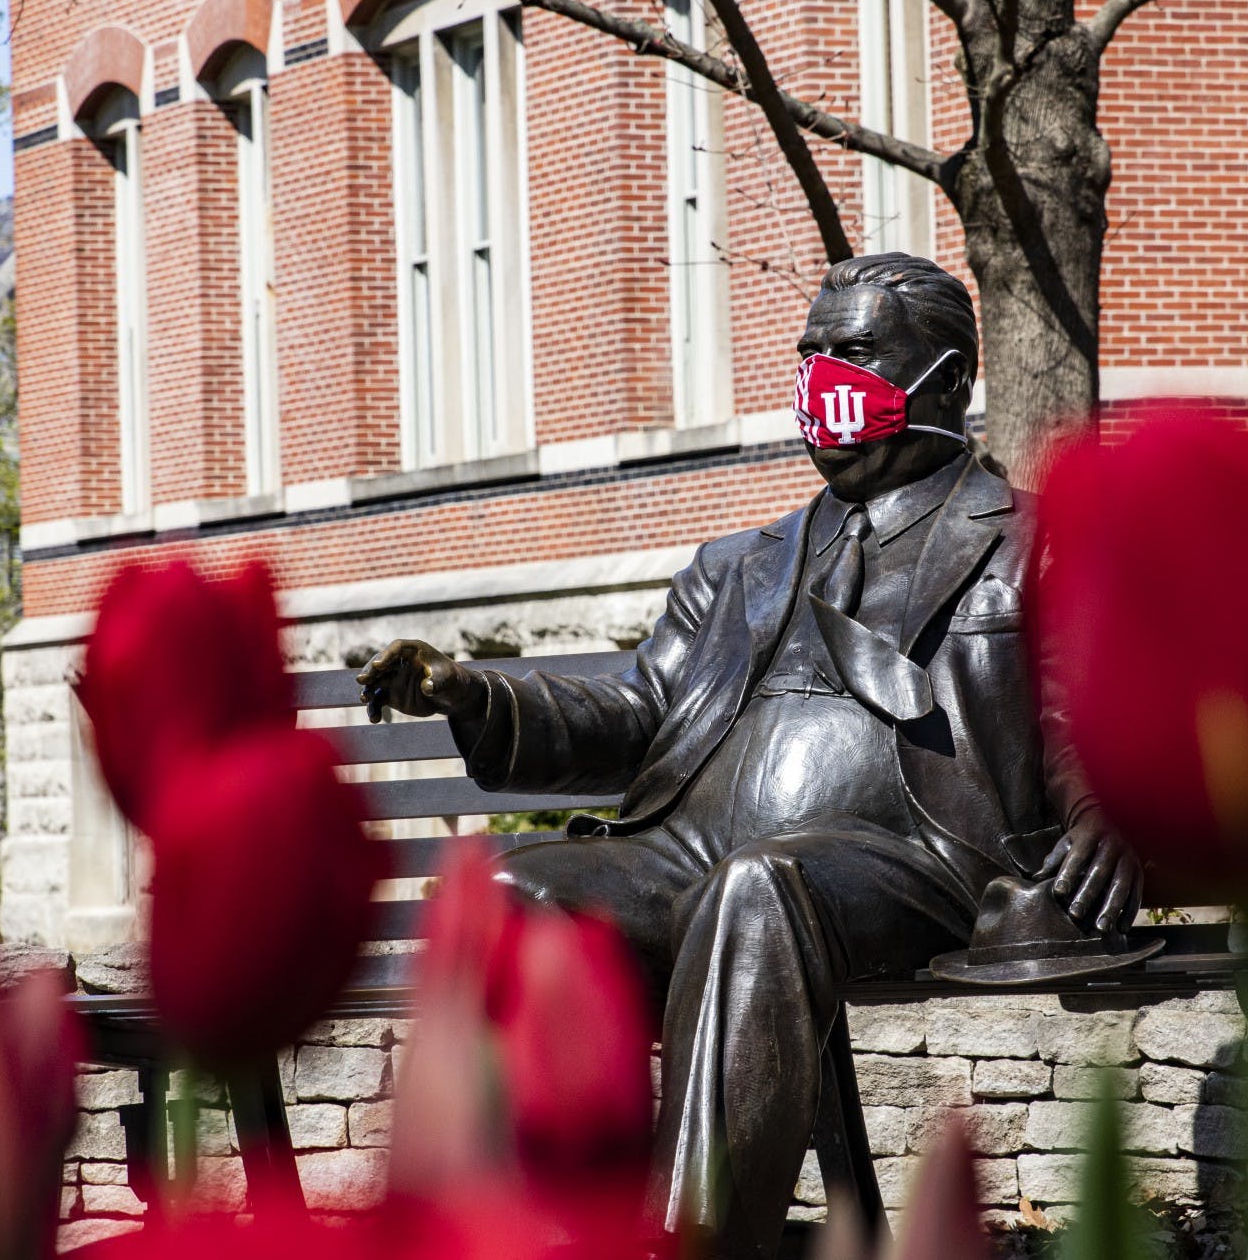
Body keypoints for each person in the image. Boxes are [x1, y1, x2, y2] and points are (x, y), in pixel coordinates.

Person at [357, 253, 1139, 1259]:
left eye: (853, 353)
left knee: (758, 888)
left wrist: (1110, 810)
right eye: (811, 352)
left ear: (943, 380)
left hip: (911, 856)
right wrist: (473, 693)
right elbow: (640, 709)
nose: (821, 377)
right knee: (507, 885)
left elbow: (1090, 710)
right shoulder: (740, 566)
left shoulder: (1028, 541)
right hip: (691, 855)